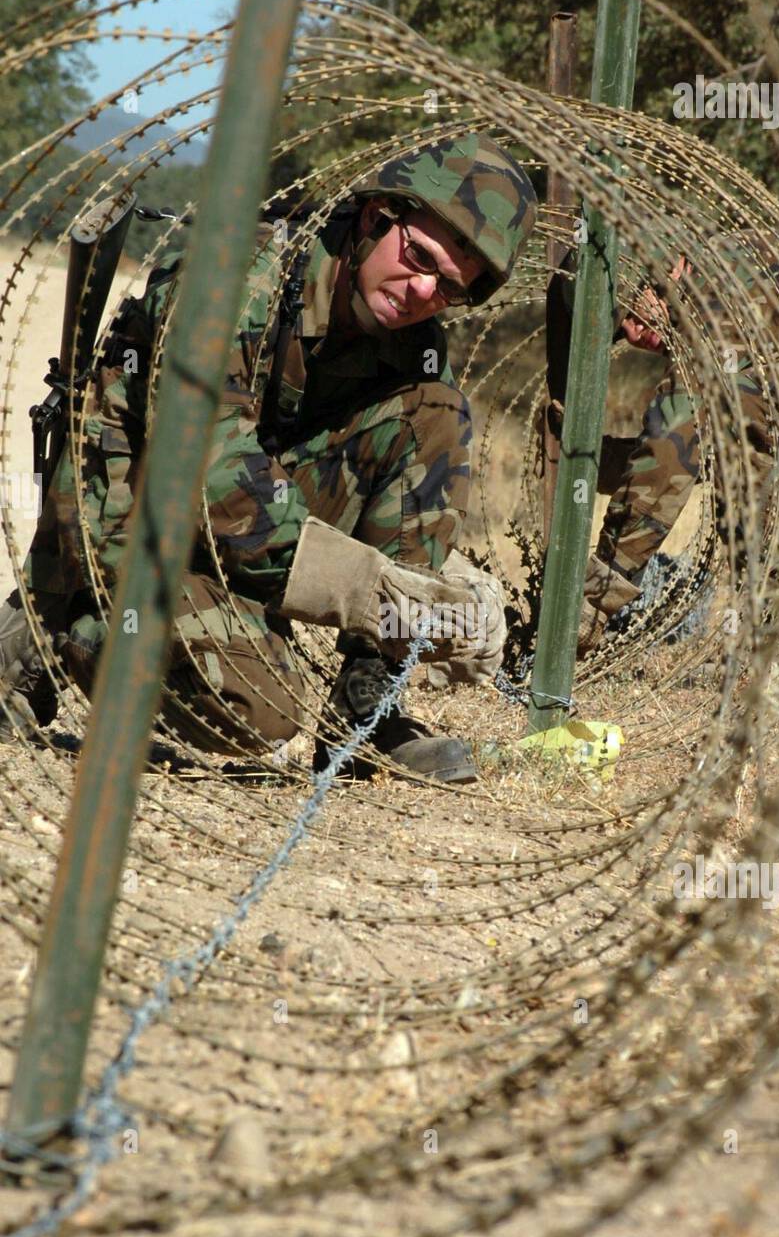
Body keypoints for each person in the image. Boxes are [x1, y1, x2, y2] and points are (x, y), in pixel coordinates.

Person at [0, 132, 538, 780]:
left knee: (437, 416)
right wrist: (379, 594)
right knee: (260, 712)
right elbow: (211, 476)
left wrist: (420, 608)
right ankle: (59, 627)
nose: (422, 290)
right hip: (131, 505)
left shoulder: (410, 350)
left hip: (249, 517)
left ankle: (367, 710)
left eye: (448, 288)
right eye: (418, 255)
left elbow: (284, 482)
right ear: (375, 217)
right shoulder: (234, 273)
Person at [542, 233, 779, 651]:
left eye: (633, 310)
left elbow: (673, 449)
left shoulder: (716, 300)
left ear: (670, 271)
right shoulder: (721, 271)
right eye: (618, 331)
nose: (634, 335)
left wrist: (591, 603)